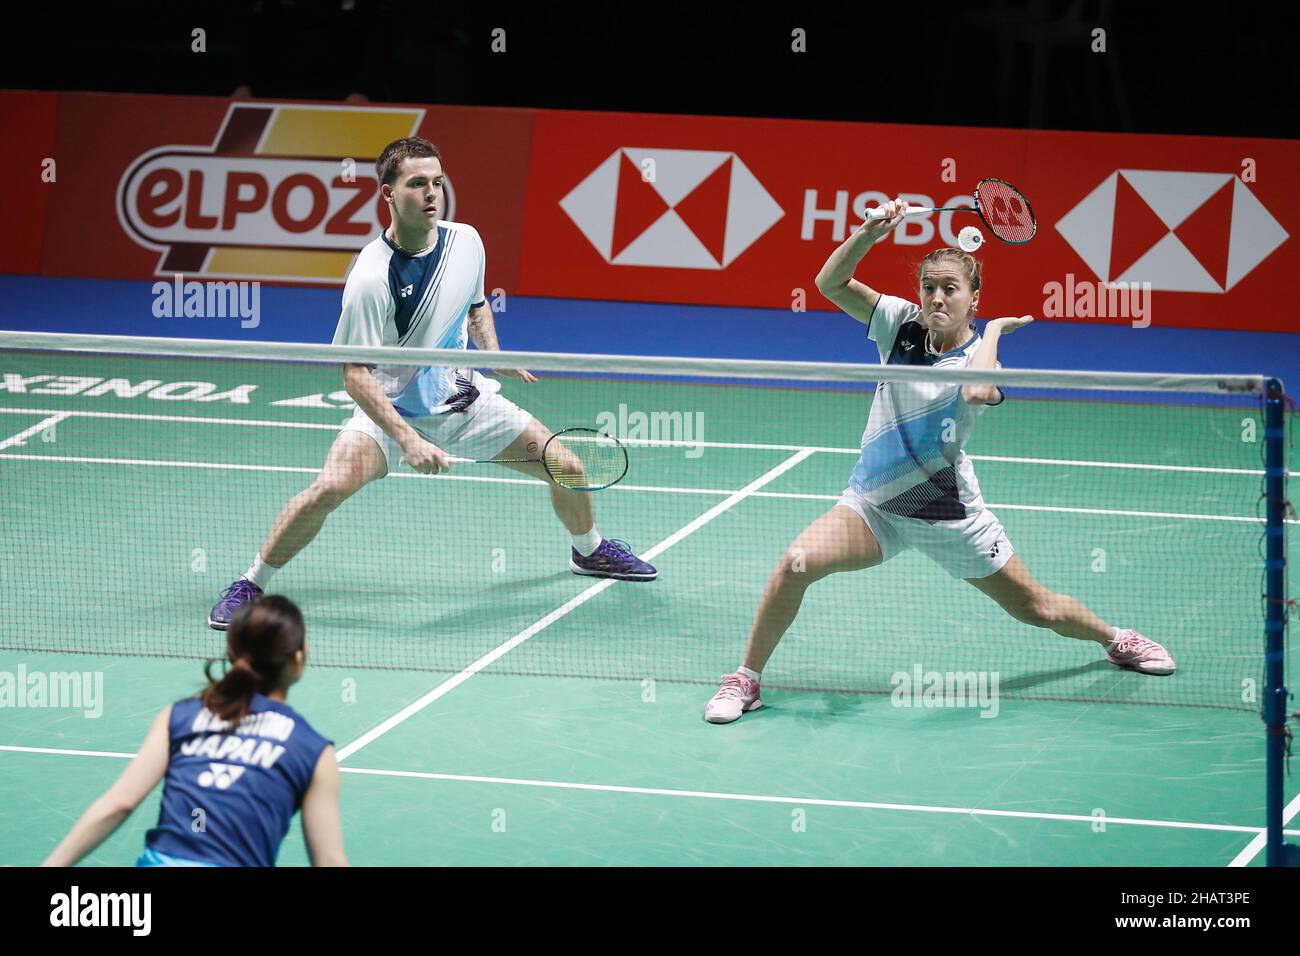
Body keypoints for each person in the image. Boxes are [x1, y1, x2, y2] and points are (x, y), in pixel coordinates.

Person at [704, 198, 1175, 724]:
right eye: (929, 286)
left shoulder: (978, 354)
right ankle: (745, 680)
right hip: (874, 507)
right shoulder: (900, 325)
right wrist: (868, 233)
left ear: (974, 297)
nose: (936, 297)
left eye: (950, 288)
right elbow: (830, 285)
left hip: (948, 517)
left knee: (1037, 609)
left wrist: (993, 330)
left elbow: (977, 394)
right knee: (795, 564)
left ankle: (1116, 639)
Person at [209, 137, 655, 629]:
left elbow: (477, 303)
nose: (431, 193)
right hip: (392, 411)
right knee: (328, 488)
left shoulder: (467, 241)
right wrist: (407, 439)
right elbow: (355, 374)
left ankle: (588, 552)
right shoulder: (370, 278)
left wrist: (493, 355)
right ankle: (250, 582)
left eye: (437, 182)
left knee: (567, 465)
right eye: (417, 183)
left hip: (463, 400)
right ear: (388, 194)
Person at [44, 595, 347, 866]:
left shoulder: (179, 717)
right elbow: (329, 861)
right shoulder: (313, 751)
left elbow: (119, 803)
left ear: (233, 652)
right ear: (297, 659)